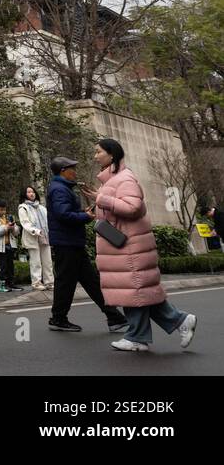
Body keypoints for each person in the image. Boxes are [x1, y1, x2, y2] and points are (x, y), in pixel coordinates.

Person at [92, 139, 197, 353]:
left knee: (134, 292)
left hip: (129, 247)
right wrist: (96, 207)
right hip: (123, 246)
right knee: (139, 293)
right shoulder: (113, 179)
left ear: (111, 155)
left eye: (98, 152)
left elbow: (133, 207)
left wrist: (102, 200)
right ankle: (178, 321)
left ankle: (138, 337)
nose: (95, 156)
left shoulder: (124, 178)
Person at [46, 155, 128, 334]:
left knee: (89, 281)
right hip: (67, 243)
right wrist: (85, 216)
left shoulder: (62, 187)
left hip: (71, 242)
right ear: (63, 171)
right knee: (68, 282)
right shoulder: (59, 189)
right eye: (71, 169)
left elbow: (66, 213)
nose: (74, 172)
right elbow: (63, 215)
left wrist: (82, 213)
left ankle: (114, 317)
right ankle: (59, 318)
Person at [17, 185, 54, 291]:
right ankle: (36, 283)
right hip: (32, 237)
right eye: (28, 192)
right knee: (35, 262)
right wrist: (36, 231)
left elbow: (48, 221)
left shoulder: (42, 208)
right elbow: (25, 223)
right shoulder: (23, 207)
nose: (31, 194)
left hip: (44, 236)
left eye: (32, 192)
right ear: (25, 194)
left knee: (48, 261)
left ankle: (49, 282)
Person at [0, 199, 23, 293]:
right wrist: (6, 227)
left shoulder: (9, 218)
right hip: (0, 246)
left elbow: (16, 233)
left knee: (10, 266)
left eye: (4, 209)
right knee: (2, 266)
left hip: (10, 245)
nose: (3, 211)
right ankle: (2, 285)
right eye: (1, 209)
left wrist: (13, 228)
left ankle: (11, 284)